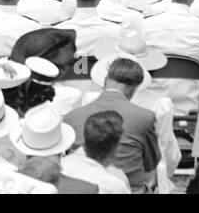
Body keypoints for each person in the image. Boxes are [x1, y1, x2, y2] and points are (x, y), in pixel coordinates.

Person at [62, 55, 162, 193]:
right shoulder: (145, 117)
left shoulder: (72, 116)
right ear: (135, 88)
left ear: (105, 80)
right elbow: (151, 164)